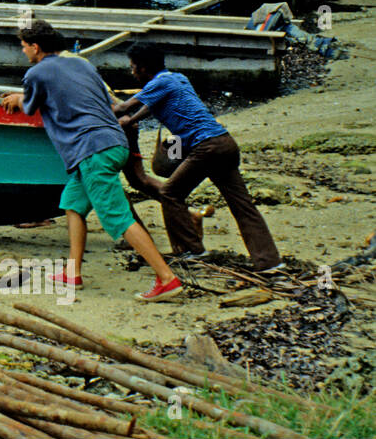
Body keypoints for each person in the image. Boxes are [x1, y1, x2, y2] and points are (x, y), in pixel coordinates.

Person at [0, 19, 182, 301]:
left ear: (35, 47)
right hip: (114, 143)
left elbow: (30, 107)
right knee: (72, 205)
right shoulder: (82, 64)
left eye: (24, 47)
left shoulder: (36, 73)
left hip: (91, 150)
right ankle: (72, 273)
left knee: (116, 216)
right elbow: (101, 100)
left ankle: (167, 278)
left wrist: (16, 98)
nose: (23, 52)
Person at [114, 43, 283, 272]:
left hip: (207, 147)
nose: (132, 72)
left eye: (133, 67)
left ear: (143, 68)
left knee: (170, 193)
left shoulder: (158, 83)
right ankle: (269, 262)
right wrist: (133, 120)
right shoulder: (178, 78)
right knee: (243, 205)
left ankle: (191, 252)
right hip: (225, 143)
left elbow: (124, 106)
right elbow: (152, 106)